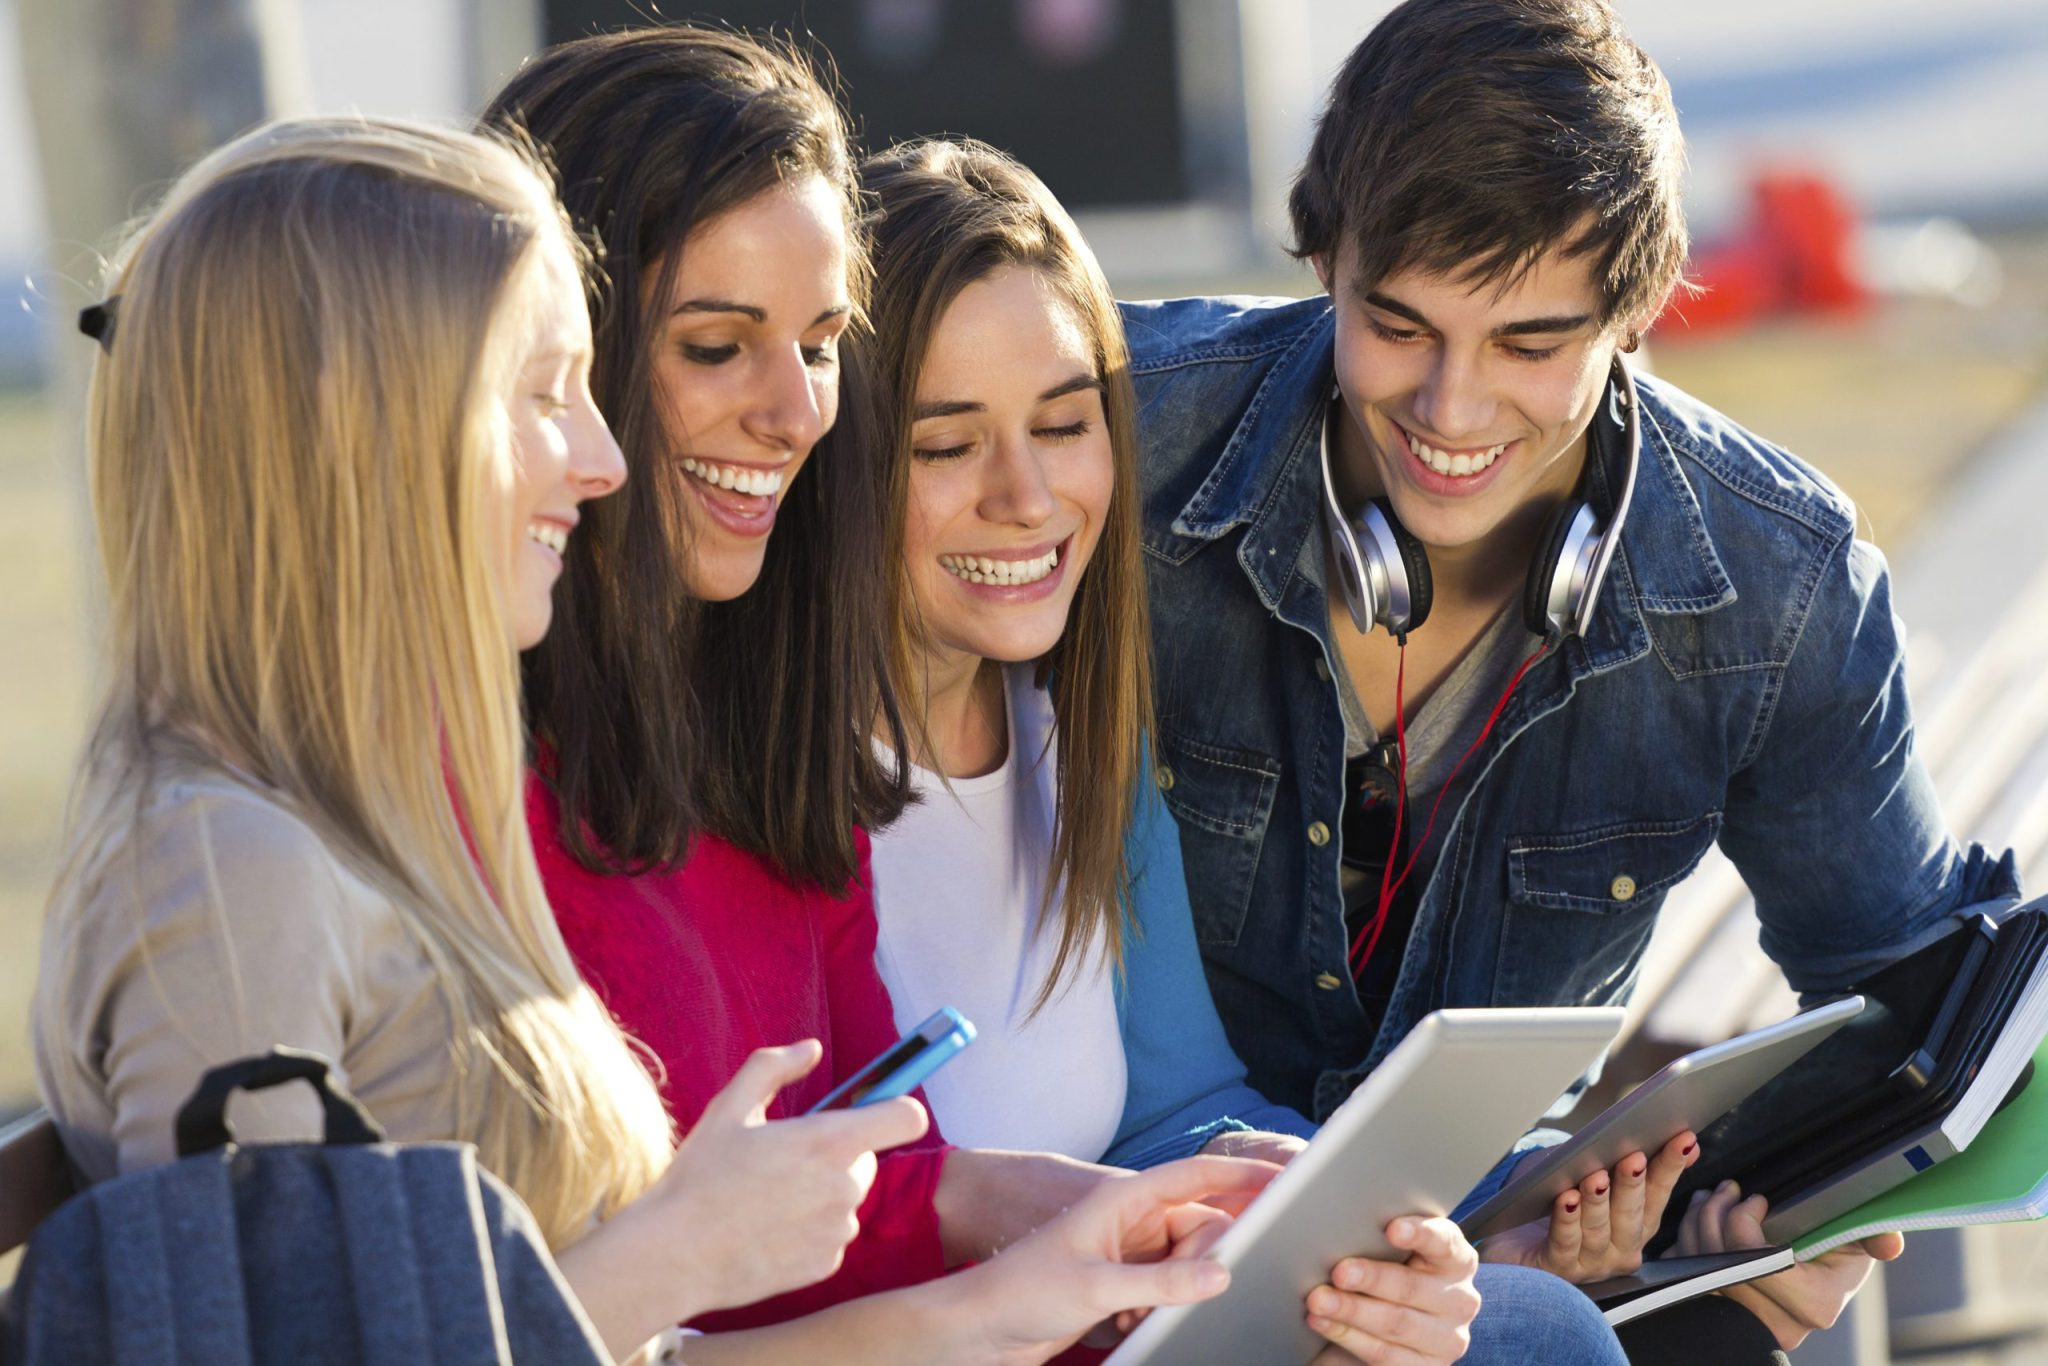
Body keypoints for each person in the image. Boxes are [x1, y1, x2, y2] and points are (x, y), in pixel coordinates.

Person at [1122, 0, 1980, 1349]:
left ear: (1642, 306)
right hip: (1130, 1191)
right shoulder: (1120, 432)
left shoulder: (1776, 581)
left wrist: (1731, 1215)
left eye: (1530, 345)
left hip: (1473, 1229)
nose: (1452, 413)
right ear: (1322, 255)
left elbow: (1906, 991)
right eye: (1397, 326)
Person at [26, 116, 936, 1364]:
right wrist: (685, 1248)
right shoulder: (228, 870)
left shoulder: (346, 809)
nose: (603, 458)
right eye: (543, 393)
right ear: (369, 430)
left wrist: (998, 1307)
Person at [481, 26, 1289, 1361]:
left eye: (816, 348)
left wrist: (1138, 1222)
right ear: (564, 349)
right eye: (714, 346)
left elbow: (897, 1182)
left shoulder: (761, 737)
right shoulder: (478, 776)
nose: (799, 413)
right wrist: (1008, 1294)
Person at [855, 135, 1654, 1365]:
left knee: (1530, 1327)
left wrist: (1326, 1215)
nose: (1025, 496)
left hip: (1121, 1316)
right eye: (942, 445)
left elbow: (1178, 1104)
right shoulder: (746, 790)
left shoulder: (1069, 733)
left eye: (1064, 425)